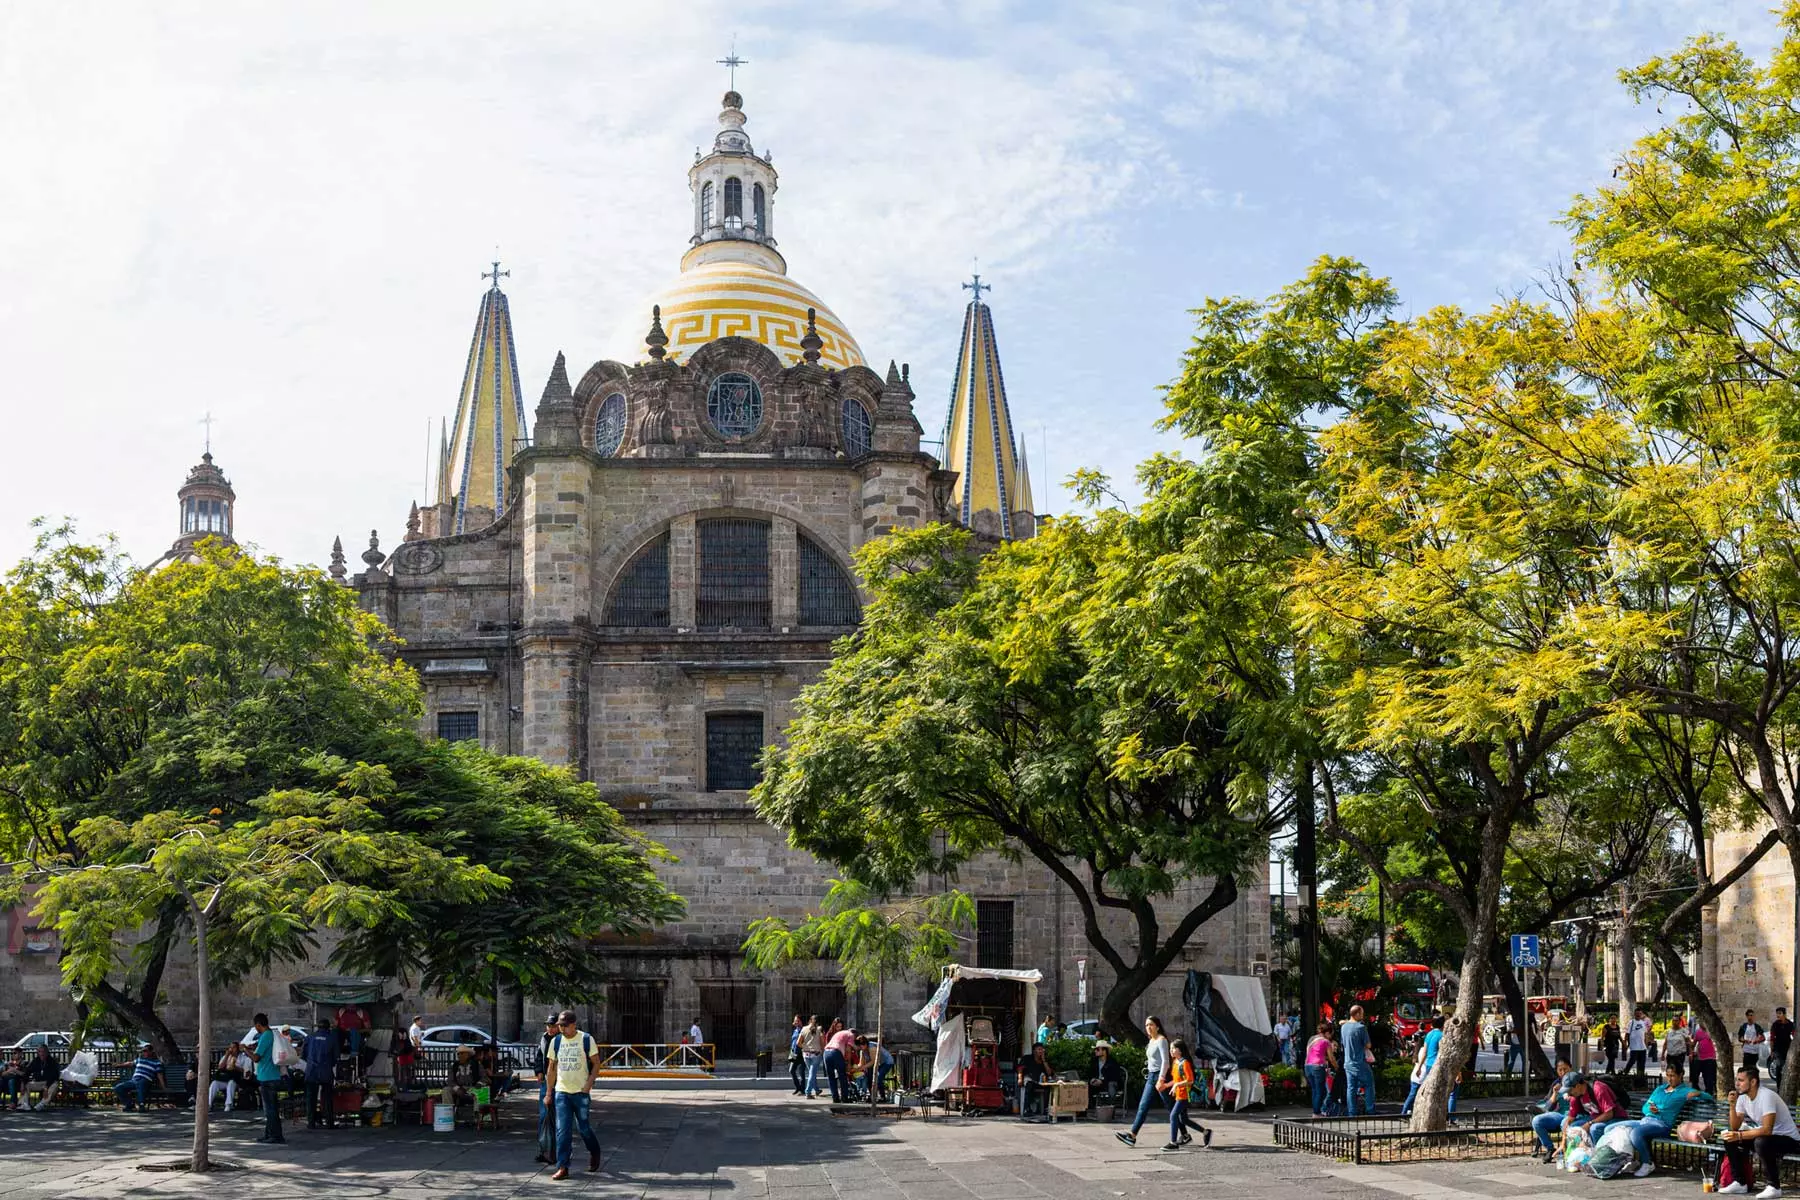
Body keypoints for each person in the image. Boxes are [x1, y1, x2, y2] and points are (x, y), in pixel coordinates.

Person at [1721, 1063, 1800, 1197]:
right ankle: (1740, 1183)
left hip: (1789, 1140)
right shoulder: (1743, 1097)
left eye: (1741, 1080)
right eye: (1737, 1080)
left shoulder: (1766, 1096)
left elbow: (1767, 1130)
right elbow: (1735, 1127)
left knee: (1761, 1142)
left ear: (1753, 1082)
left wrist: (1740, 1135)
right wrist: (1732, 1106)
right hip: (1768, 1138)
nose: (1737, 1084)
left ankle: (1774, 1186)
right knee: (1729, 1138)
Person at [1611, 1059, 1696, 1179]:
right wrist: (1650, 1110)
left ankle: (1647, 1162)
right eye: (1668, 1076)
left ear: (1681, 1075)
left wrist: (1697, 1094)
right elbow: (1645, 1107)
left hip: (1662, 1125)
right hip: (1646, 1121)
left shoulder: (1684, 1091)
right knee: (1612, 1127)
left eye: (1673, 1076)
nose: (1670, 1079)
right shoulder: (1660, 1089)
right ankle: (1631, 1160)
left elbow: (1706, 1096)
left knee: (1635, 1133)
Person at [544, 1009, 603, 1181]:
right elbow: (551, 1068)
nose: (561, 1028)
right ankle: (563, 1166)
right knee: (563, 1130)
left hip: (581, 1093)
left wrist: (588, 1085)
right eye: (559, 1025)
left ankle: (594, 1151)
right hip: (562, 1092)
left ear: (573, 1025)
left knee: (584, 1128)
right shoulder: (556, 1042)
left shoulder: (586, 1039)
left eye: (564, 1025)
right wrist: (549, 1092)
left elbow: (596, 1063)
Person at [1116, 1015, 1172, 1146]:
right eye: (1146, 1025)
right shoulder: (1151, 1041)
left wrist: (1162, 1078)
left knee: (1171, 1108)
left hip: (1159, 1076)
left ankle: (1191, 1132)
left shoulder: (1161, 1040)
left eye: (1151, 1024)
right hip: (1151, 1077)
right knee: (1143, 1106)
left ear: (1157, 1027)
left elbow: (1166, 1062)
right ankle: (1132, 1135)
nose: (1148, 1027)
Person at [1160, 1038, 1212, 1150]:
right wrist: (1166, 1086)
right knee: (1184, 1120)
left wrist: (1177, 1086)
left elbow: (1190, 1080)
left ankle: (1173, 1142)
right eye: (1170, 1048)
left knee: (1173, 1115)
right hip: (1178, 1094)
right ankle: (1206, 1132)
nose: (1171, 1050)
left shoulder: (1185, 1063)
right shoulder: (1175, 1063)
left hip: (1184, 1095)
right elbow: (1176, 1080)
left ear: (1180, 1050)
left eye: (1173, 1048)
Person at [1561, 1072, 1626, 1156]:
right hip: (1596, 1117)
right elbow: (1570, 1119)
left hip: (1615, 1117)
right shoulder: (1575, 1096)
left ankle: (1599, 1156)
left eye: (1569, 1091)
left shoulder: (1598, 1089)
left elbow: (1609, 1113)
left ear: (1577, 1086)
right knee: (1572, 1126)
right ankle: (1579, 1153)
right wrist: (1563, 1140)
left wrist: (1590, 1123)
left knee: (1594, 1128)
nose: (1568, 1094)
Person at [250, 1012, 287, 1145]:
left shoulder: (265, 1036)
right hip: (273, 1075)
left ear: (258, 1025)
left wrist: (245, 1050)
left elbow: (256, 1057)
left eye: (256, 1026)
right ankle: (269, 1134)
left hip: (267, 1077)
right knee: (271, 1108)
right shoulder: (272, 1034)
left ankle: (275, 1135)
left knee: (270, 1109)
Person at [1530, 1059, 1574, 1164]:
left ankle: (1567, 1151)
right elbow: (1548, 1107)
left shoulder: (1576, 1081)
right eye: (1560, 1070)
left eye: (1565, 1069)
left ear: (1570, 1068)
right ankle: (1550, 1148)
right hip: (1559, 1114)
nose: (1563, 1072)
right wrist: (1555, 1093)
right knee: (1537, 1121)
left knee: (1565, 1123)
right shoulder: (1557, 1083)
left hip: (1574, 1114)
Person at [302, 1019, 338, 1129]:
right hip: (325, 1070)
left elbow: (303, 1054)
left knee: (311, 1097)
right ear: (328, 1028)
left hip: (312, 1070)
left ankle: (311, 1122)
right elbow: (336, 1056)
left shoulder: (310, 1037)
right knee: (327, 1097)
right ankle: (329, 1123)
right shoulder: (332, 1038)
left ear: (318, 1027)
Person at [1340, 1005, 1375, 1117]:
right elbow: (1368, 1045)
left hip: (1348, 1062)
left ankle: (1352, 1112)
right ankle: (1370, 1110)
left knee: (1351, 1088)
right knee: (1369, 1084)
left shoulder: (1344, 1027)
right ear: (1357, 1014)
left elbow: (1343, 1043)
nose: (1363, 1015)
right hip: (1359, 1062)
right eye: (1362, 1013)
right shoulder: (1361, 1028)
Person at [534, 1013, 560, 1165]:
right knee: (544, 1117)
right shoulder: (544, 1038)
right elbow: (539, 1056)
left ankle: (558, 1151)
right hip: (546, 1082)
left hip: (559, 1083)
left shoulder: (562, 1040)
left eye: (553, 1025)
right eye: (548, 1025)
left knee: (558, 1118)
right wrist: (538, 1071)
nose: (550, 1028)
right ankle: (543, 1150)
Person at [113, 1047, 163, 1111]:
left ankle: (141, 1105)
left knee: (141, 1083)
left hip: (146, 1080)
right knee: (118, 1088)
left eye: (145, 1051)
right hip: (134, 1081)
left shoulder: (157, 1062)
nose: (143, 1052)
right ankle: (130, 1105)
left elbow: (159, 1074)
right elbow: (130, 1063)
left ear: (151, 1052)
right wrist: (118, 1065)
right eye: (142, 1051)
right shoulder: (139, 1060)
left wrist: (163, 1086)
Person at [1303, 1024, 1337, 1117]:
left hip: (1307, 1066)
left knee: (1314, 1090)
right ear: (1326, 1033)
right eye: (1330, 1035)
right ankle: (1317, 1112)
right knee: (1321, 1091)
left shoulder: (1311, 1039)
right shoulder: (1326, 1041)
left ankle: (1315, 1111)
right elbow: (1331, 1058)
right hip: (1318, 1066)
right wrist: (1337, 1067)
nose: (1330, 1037)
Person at [207, 1042, 252, 1111]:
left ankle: (228, 1104)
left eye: (234, 1047)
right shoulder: (226, 1056)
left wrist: (235, 1067)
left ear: (237, 1049)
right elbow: (220, 1067)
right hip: (225, 1078)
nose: (232, 1049)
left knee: (231, 1083)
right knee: (214, 1083)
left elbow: (246, 1071)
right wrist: (227, 1055)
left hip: (237, 1080)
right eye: (230, 1047)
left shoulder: (244, 1058)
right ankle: (209, 1104)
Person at [823, 1021, 857, 1104]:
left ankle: (835, 1098)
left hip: (826, 1052)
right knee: (842, 1076)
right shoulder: (851, 1035)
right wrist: (848, 1064)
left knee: (831, 1077)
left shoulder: (839, 1033)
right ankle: (844, 1098)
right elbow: (848, 1050)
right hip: (836, 1053)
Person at [1018, 1042, 1053, 1119]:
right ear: (1034, 1051)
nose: (1041, 1051)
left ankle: (1046, 1109)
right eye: (1039, 1049)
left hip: (1040, 1081)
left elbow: (1049, 1073)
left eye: (1042, 1050)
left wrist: (1044, 1061)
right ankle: (1027, 1109)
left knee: (1049, 1088)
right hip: (1029, 1079)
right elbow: (1020, 1069)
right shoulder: (1027, 1058)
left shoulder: (1045, 1060)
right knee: (1029, 1084)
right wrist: (1020, 1078)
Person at [798, 1016, 825, 1099]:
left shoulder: (804, 1029)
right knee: (812, 1074)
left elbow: (798, 1043)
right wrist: (823, 1051)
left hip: (805, 1054)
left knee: (811, 1073)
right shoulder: (820, 1029)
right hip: (816, 1054)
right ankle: (808, 1092)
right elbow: (822, 1043)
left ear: (810, 1020)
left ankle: (816, 1089)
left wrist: (805, 1047)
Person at [22, 1046, 57, 1110]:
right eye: (39, 1052)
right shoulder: (35, 1061)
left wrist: (46, 1086)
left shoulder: (52, 1061)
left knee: (55, 1084)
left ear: (47, 1052)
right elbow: (27, 1072)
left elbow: (54, 1076)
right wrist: (23, 1083)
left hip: (48, 1083)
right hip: (38, 1083)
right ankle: (25, 1104)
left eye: (43, 1051)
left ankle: (42, 1104)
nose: (41, 1054)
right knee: (26, 1085)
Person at [1663, 1014, 1692, 1082]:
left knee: (1678, 1070)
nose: (1674, 1022)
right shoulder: (1669, 1031)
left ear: (1679, 1021)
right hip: (1670, 1055)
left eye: (1676, 1020)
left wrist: (1690, 1053)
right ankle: (1671, 1084)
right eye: (1673, 1020)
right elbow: (1665, 1043)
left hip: (1679, 1055)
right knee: (1670, 1070)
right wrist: (1662, 1054)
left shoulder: (1684, 1031)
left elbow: (1689, 1043)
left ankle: (1680, 1083)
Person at [1627, 1008, 1652, 1080]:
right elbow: (1627, 1034)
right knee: (1632, 1061)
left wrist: (1646, 1044)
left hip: (1642, 1047)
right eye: (1637, 1013)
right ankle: (1625, 1073)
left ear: (1641, 1014)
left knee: (1642, 1064)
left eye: (1640, 1014)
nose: (1638, 1015)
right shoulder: (1631, 1022)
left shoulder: (1643, 1023)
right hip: (1634, 1047)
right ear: (1634, 1014)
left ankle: (1640, 1077)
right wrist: (1626, 1044)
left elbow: (1645, 1034)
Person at [1696, 1022, 1720, 1096]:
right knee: (1705, 1076)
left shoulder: (1710, 1030)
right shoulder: (1698, 1032)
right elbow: (1694, 1042)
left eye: (1703, 1021)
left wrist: (1707, 1029)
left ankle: (1711, 1091)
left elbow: (1713, 1038)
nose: (1701, 1023)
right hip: (1701, 1058)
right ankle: (1708, 1090)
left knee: (1710, 1076)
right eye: (1700, 1022)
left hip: (1710, 1057)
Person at [1773, 1008, 1795, 1087]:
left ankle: (1786, 1086)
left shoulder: (1790, 1024)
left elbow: (1794, 1035)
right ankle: (1779, 1086)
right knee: (1779, 1066)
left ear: (1784, 1014)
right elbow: (1772, 1038)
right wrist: (1772, 1051)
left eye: (1780, 1013)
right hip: (1777, 1049)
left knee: (1788, 1067)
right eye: (1777, 1013)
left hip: (1787, 1048)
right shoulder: (1775, 1024)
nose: (1778, 1015)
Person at [788, 1015, 805, 1095]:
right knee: (791, 1070)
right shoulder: (795, 1030)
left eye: (798, 1021)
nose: (796, 1022)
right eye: (795, 1021)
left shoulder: (803, 1030)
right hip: (794, 1053)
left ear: (801, 1021)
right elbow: (793, 1042)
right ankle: (798, 1087)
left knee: (801, 1072)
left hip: (801, 1053)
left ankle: (802, 1089)